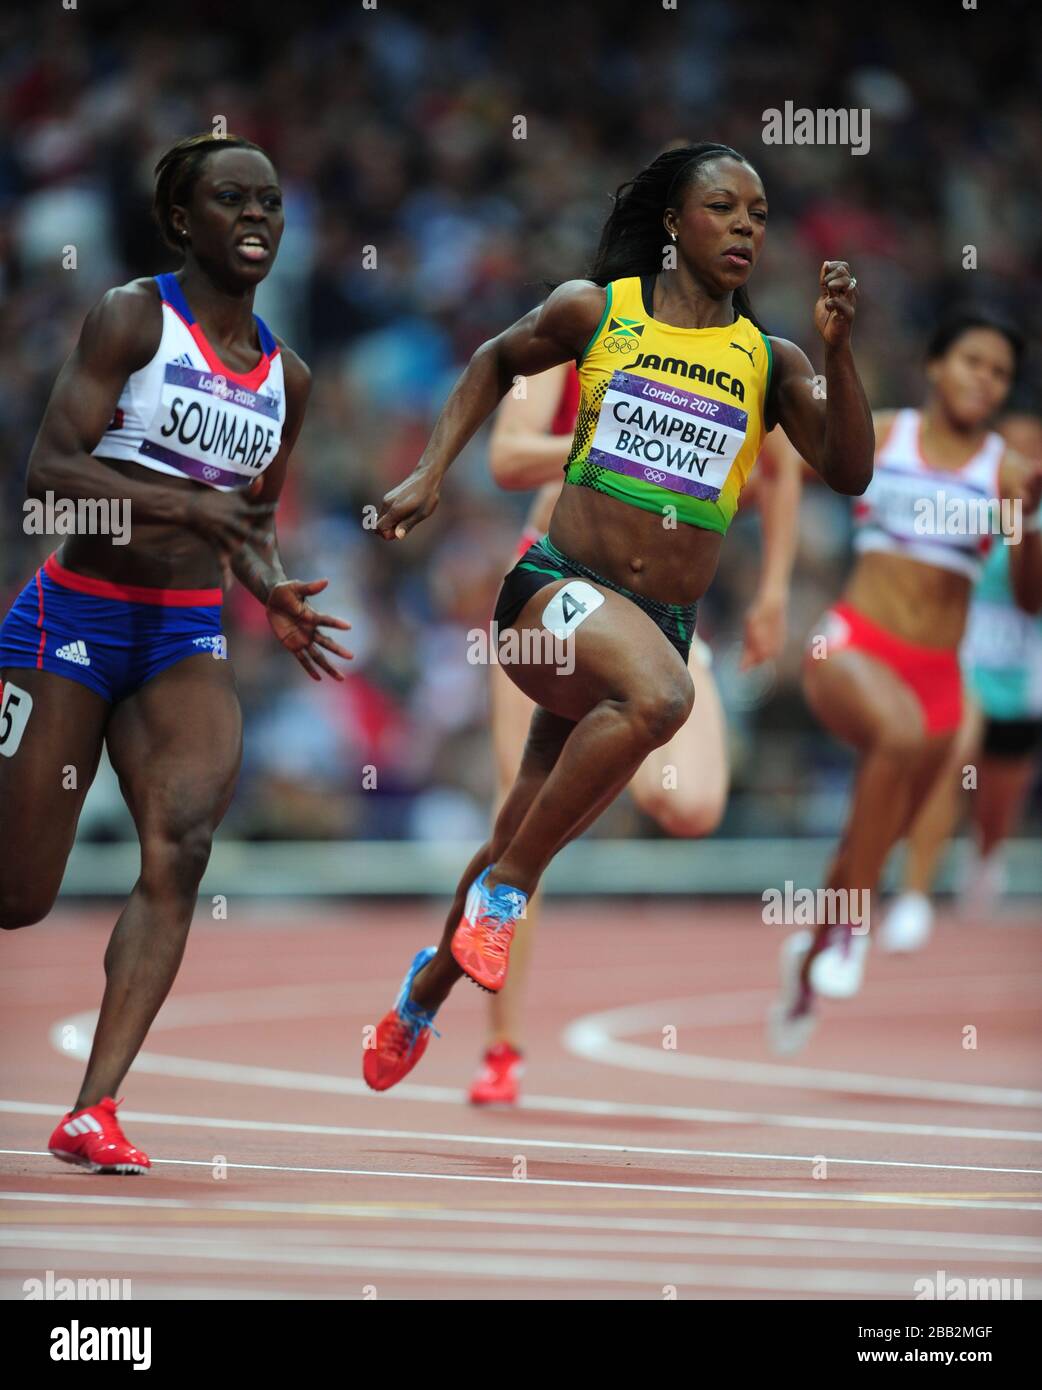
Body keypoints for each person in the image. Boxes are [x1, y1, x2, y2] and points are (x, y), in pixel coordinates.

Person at [360, 140, 873, 1092]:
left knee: (526, 817)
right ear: (675, 223)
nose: (746, 228)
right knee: (663, 698)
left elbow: (849, 469)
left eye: (760, 215)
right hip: (548, 592)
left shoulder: (769, 358)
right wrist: (432, 471)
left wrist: (839, 354)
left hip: (652, 622)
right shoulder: (601, 311)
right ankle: (507, 895)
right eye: (725, 208)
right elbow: (489, 359)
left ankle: (423, 993)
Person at [0, 133, 351, 1172]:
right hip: (72, 615)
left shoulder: (290, 375)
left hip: (185, 632)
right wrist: (175, 500)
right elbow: (49, 473)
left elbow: (252, 521)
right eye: (231, 199)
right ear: (182, 222)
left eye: (271, 203)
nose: (256, 217)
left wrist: (271, 587)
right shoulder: (134, 317)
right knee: (17, 895)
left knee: (183, 842)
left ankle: (92, 1107)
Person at [472, 360, 799, 1103]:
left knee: (690, 806)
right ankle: (502, 1047)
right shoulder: (574, 340)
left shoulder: (737, 357)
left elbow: (782, 469)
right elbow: (507, 456)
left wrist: (775, 591)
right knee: (521, 813)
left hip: (656, 609)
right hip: (554, 591)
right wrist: (613, 441)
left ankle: (675, 682)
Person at [769, 316, 1042, 1054]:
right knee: (893, 738)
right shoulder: (880, 434)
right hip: (851, 639)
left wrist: (1033, 521)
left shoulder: (1010, 474)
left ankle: (811, 959)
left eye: (998, 373)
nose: (982, 380)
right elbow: (775, 468)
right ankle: (857, 920)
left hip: (938, 680)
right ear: (933, 363)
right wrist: (772, 590)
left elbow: (1029, 598)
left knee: (869, 835)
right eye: (971, 362)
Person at [880, 412, 1042, 948]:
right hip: (964, 660)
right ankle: (915, 891)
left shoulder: (1033, 518)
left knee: (997, 802)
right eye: (1012, 448)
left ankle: (984, 858)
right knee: (953, 756)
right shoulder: (968, 500)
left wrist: (1028, 524)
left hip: (1021, 677)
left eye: (1031, 451)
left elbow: (1032, 596)